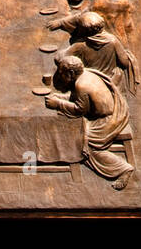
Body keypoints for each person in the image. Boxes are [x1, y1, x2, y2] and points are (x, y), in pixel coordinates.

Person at [44, 55, 133, 186]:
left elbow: (79, 110)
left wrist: (58, 104)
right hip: (114, 109)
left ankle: (122, 169)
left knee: (80, 143)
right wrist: (63, 97)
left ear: (71, 73)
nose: (60, 76)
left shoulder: (81, 85)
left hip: (107, 120)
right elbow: (84, 99)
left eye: (62, 73)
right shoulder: (86, 73)